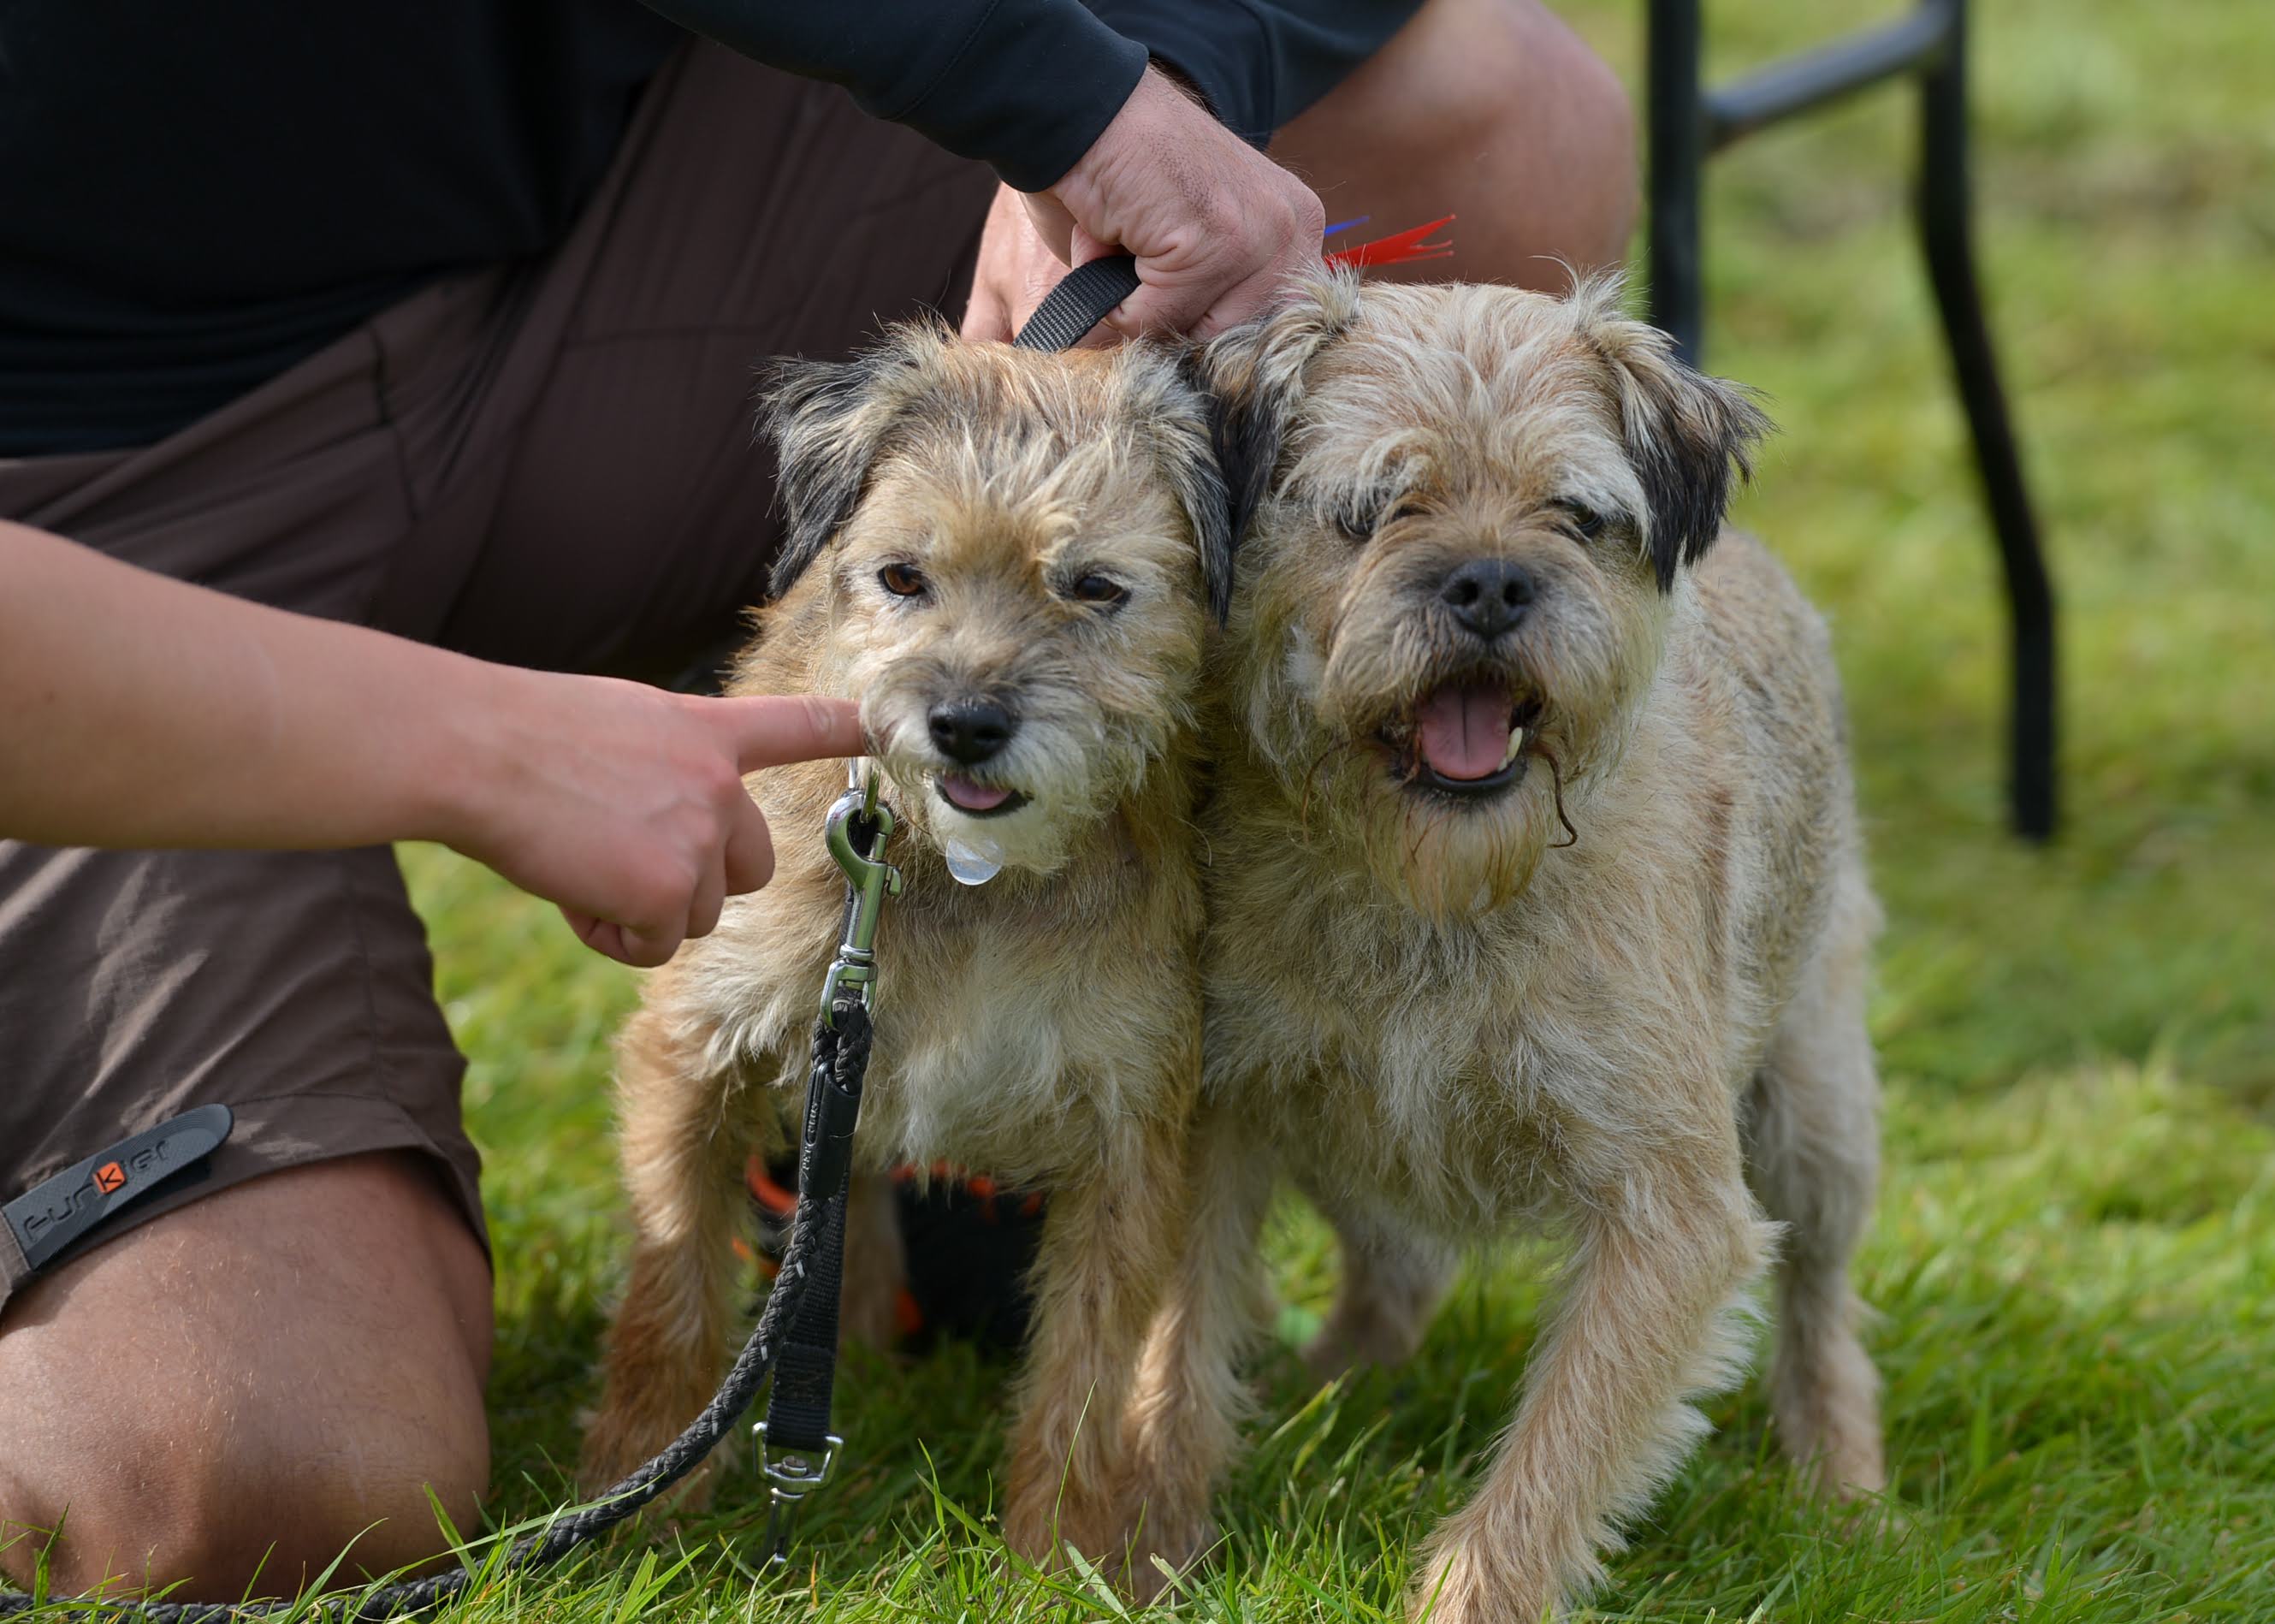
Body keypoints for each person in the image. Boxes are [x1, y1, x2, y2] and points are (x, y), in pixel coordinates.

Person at [0, 0, 1635, 1599]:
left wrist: (1114, 87)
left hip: (581, 226)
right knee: (230, 1478)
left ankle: (1075, 1016)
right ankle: (915, 1075)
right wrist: (482, 747)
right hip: (84, 506)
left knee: (1502, 102)